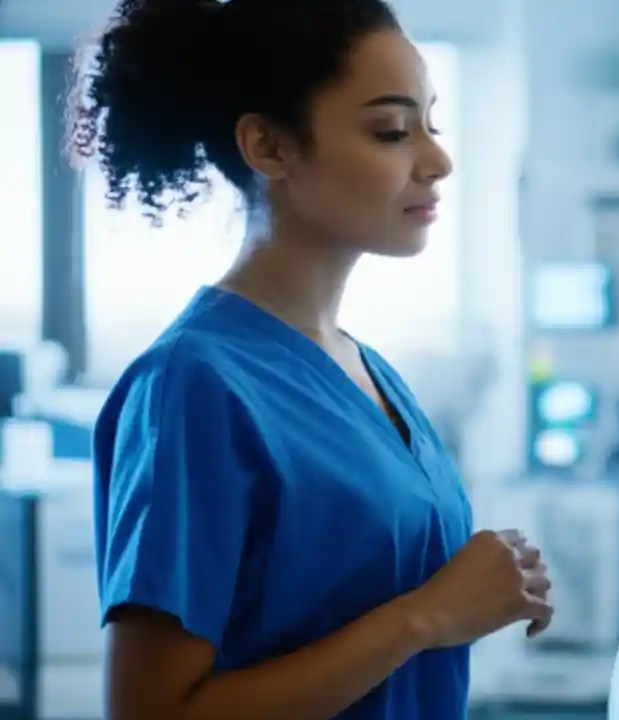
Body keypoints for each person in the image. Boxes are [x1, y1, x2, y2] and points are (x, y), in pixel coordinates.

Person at [70, 0, 552, 718]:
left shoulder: (366, 369)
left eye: (431, 124)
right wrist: (426, 617)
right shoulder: (193, 385)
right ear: (269, 147)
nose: (438, 159)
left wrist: (479, 585)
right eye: (392, 129)